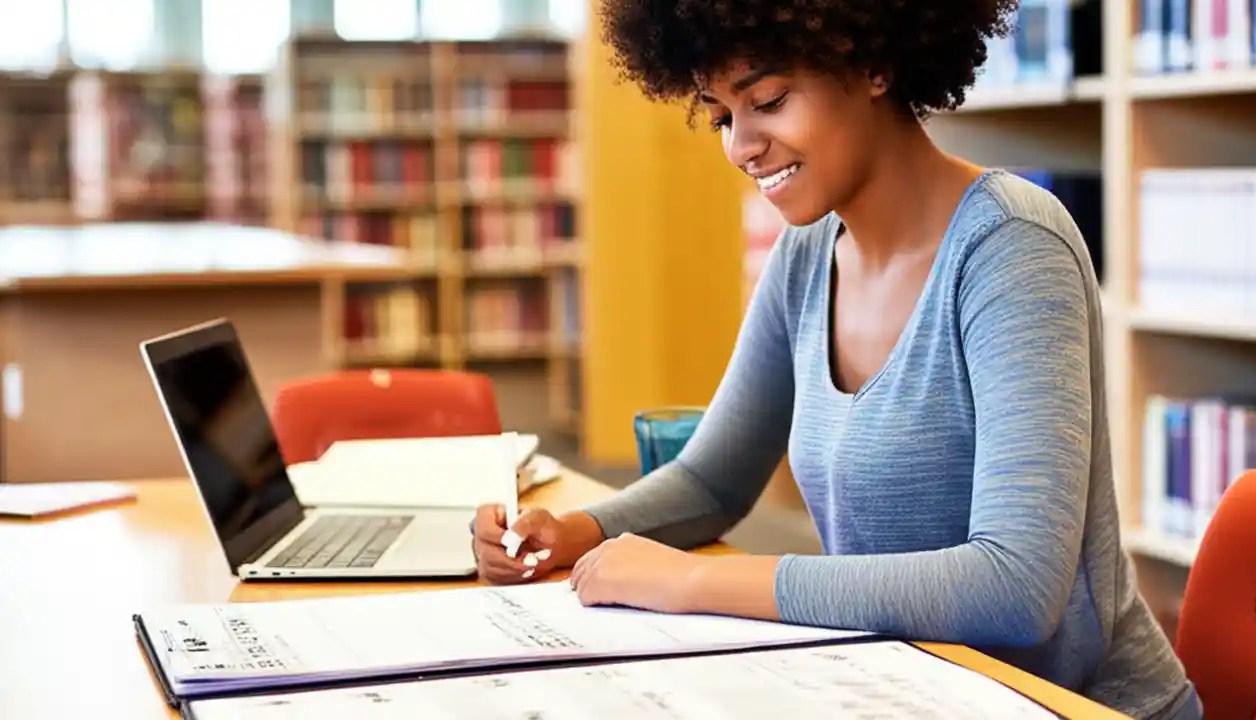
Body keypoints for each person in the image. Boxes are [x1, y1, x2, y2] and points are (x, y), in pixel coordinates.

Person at [470, 2, 1201, 718]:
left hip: (1075, 705)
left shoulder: (1012, 247)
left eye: (768, 101)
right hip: (912, 685)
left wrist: (691, 582)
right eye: (722, 117)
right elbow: (712, 481)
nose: (741, 146)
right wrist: (576, 532)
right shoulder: (807, 254)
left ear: (873, 64)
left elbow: (1017, 588)